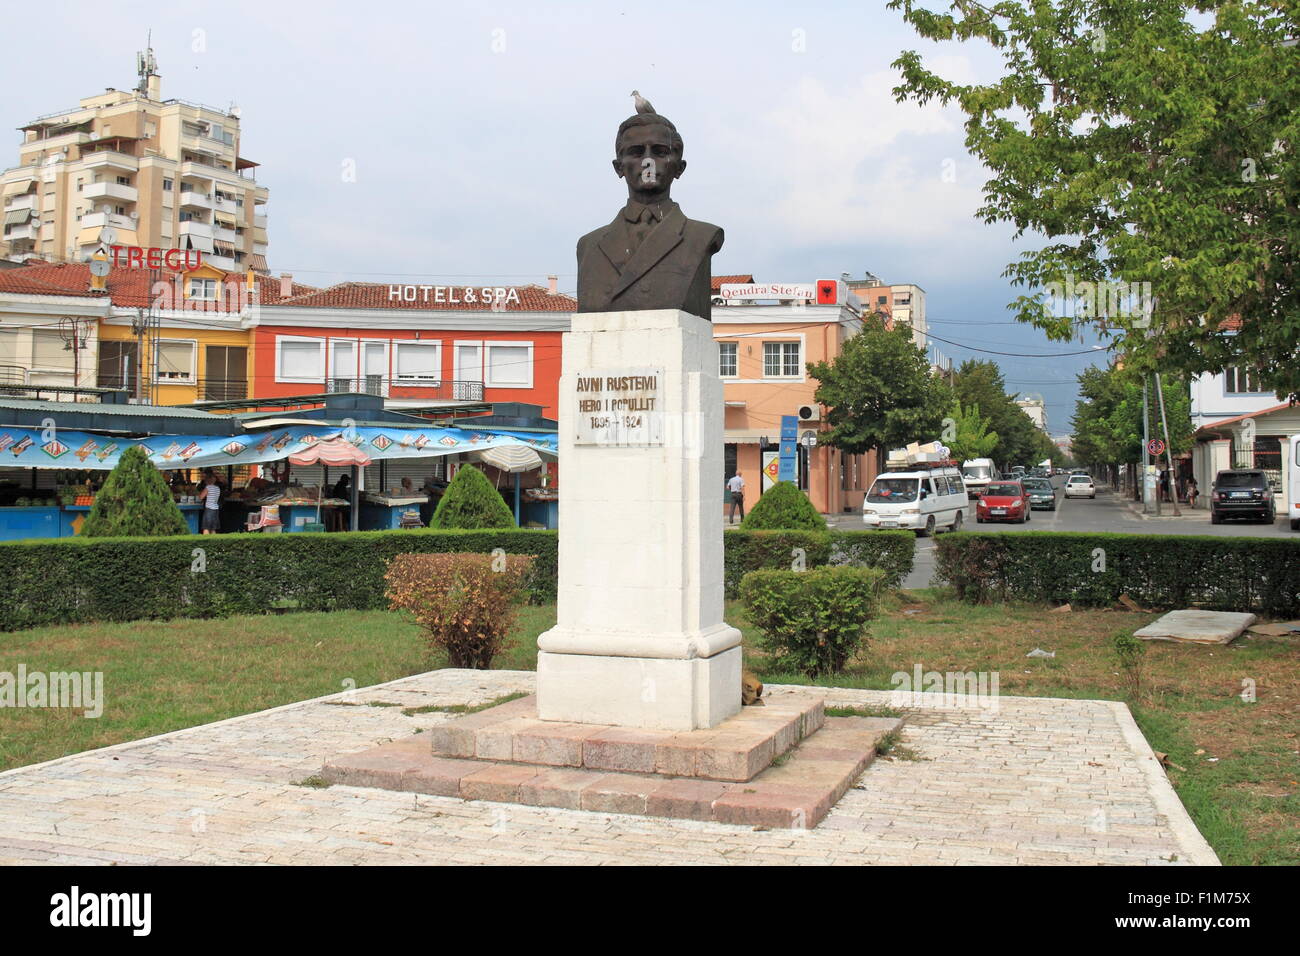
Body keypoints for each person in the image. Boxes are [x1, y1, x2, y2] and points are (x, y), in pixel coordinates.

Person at [576, 110, 724, 320]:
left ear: (679, 168)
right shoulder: (589, 246)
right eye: (637, 152)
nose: (648, 161)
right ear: (619, 167)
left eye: (660, 152)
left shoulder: (702, 237)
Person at [200, 470, 222, 535]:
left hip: (209, 509)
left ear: (207, 480)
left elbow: (201, 497)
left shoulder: (208, 487)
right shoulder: (218, 488)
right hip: (215, 509)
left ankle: (205, 543)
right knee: (213, 529)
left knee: (206, 528)